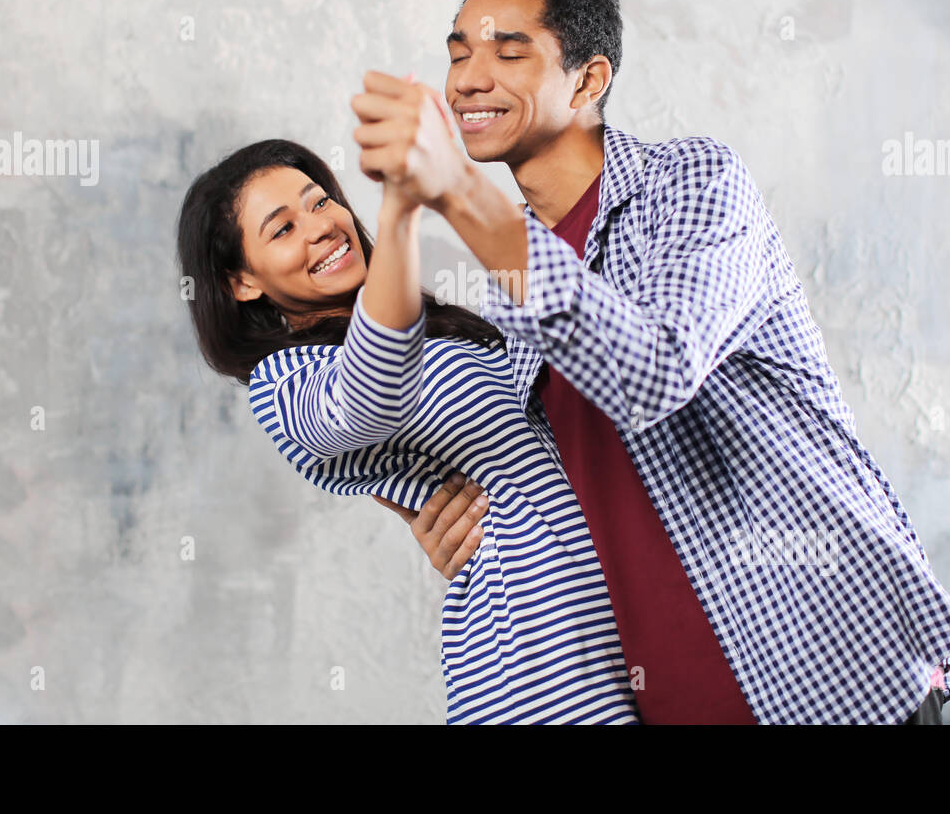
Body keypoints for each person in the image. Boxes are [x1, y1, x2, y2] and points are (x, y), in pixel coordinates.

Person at [352, 0, 950, 724]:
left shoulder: (692, 184)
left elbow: (654, 371)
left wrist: (458, 193)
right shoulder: (508, 283)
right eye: (458, 52)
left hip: (825, 681)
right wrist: (437, 512)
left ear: (588, 80)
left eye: (508, 53)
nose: (469, 78)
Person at [175, 136, 639, 724]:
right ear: (242, 282)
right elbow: (367, 396)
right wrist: (401, 210)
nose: (319, 227)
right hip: (540, 659)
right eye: (282, 229)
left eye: (319, 203)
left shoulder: (440, 324)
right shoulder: (285, 382)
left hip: (624, 612)